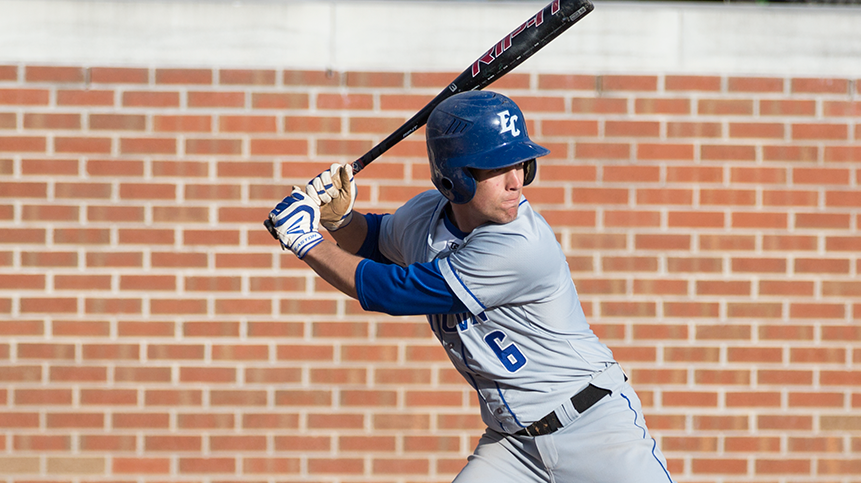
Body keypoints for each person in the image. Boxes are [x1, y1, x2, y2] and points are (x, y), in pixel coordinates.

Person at [266, 91, 673, 482]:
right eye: (497, 169)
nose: (516, 182)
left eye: (521, 165)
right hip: (513, 449)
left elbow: (392, 291)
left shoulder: (520, 243)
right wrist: (341, 221)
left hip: (594, 430)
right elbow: (378, 244)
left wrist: (307, 240)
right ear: (454, 179)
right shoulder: (427, 214)